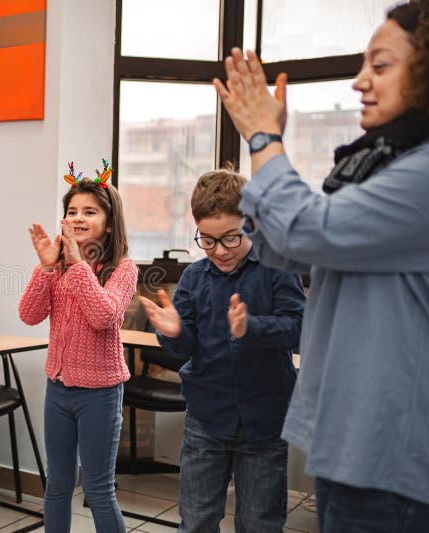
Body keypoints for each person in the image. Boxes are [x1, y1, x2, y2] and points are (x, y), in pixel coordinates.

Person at [214, 1, 429, 529]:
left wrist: (264, 139)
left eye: (380, 66)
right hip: (351, 447)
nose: (360, 81)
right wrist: (263, 153)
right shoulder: (385, 166)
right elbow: (288, 248)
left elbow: (305, 229)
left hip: (389, 463)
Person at [139, 167, 304, 532]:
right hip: (206, 421)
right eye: (208, 240)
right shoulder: (194, 279)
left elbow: (299, 330)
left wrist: (252, 328)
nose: (219, 251)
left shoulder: (278, 268)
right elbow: (185, 347)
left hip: (265, 423)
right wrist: (175, 332)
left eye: (231, 238)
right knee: (196, 522)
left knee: (260, 523)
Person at [18, 161, 137, 533]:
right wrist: (47, 269)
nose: (79, 217)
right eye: (72, 211)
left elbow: (104, 315)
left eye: (90, 211)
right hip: (59, 390)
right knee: (56, 486)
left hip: (100, 394)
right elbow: (28, 314)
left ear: (110, 222)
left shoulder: (123, 268)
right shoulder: (59, 268)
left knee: (99, 490)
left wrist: (76, 265)